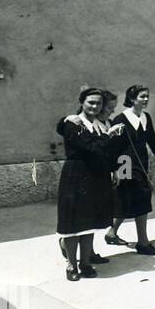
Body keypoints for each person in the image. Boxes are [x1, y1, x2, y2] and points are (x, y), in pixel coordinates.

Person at [55, 88, 125, 280]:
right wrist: (108, 135)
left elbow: (106, 152)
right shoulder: (73, 123)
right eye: (91, 102)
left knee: (89, 222)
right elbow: (91, 148)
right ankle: (71, 265)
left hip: (95, 176)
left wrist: (113, 169)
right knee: (73, 223)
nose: (95, 107)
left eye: (98, 104)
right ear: (82, 102)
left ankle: (85, 262)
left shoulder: (98, 125)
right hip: (76, 175)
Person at [106, 84, 155, 255]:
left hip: (141, 163)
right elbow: (113, 147)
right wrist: (114, 170)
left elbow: (152, 141)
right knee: (138, 199)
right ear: (131, 99)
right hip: (125, 164)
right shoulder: (121, 119)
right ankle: (142, 242)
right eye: (142, 97)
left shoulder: (146, 117)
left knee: (130, 200)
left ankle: (112, 233)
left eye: (147, 96)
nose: (145, 100)